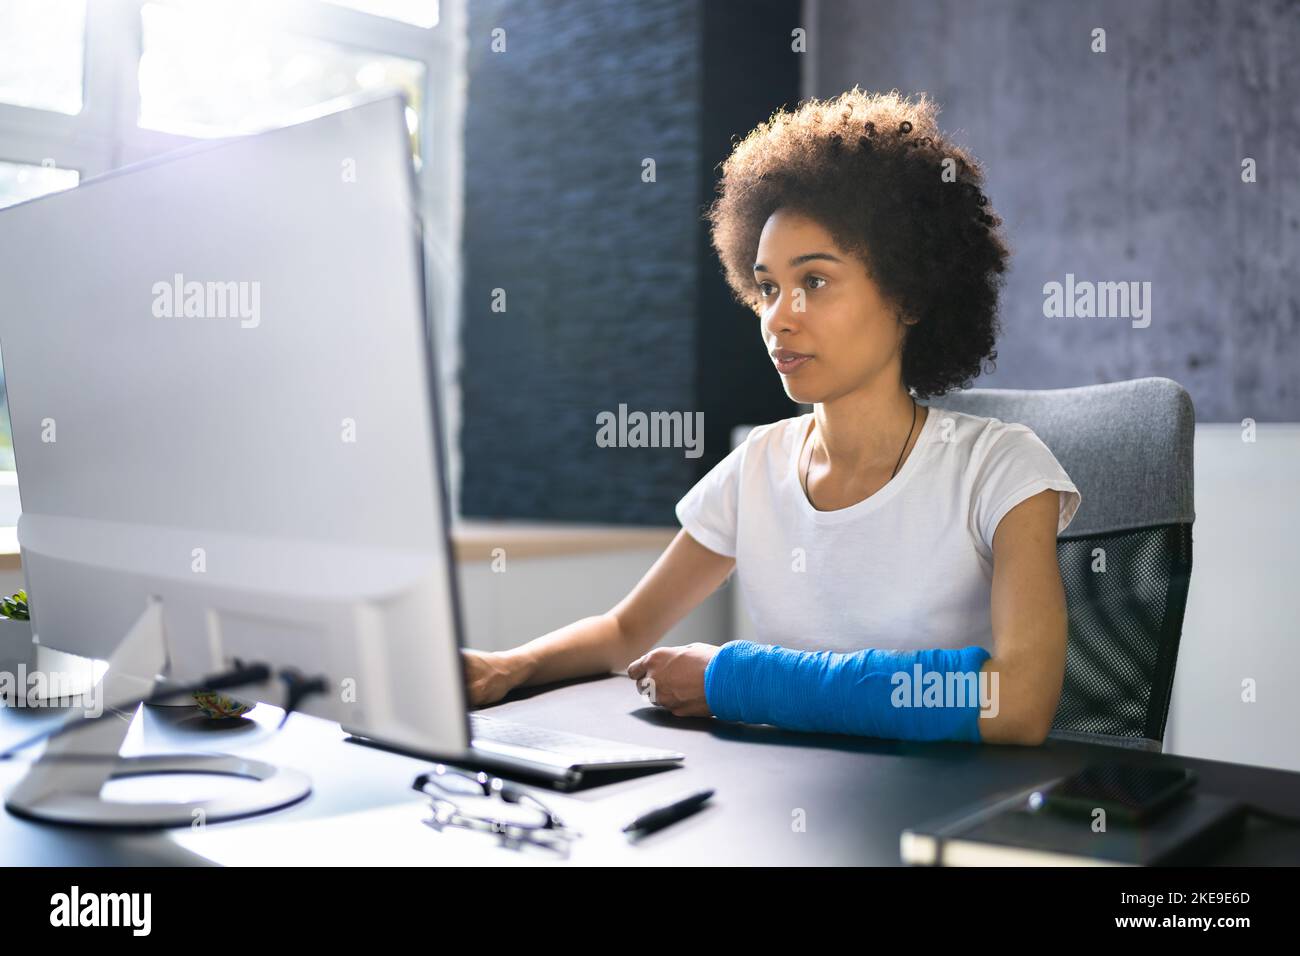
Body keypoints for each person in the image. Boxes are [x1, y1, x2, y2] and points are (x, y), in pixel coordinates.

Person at [462, 88, 1080, 745]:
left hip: (939, 823)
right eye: (766, 287)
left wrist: (739, 680)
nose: (778, 318)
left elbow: (1016, 701)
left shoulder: (1005, 471)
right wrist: (503, 668)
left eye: (814, 281)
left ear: (909, 295)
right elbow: (624, 633)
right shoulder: (758, 466)